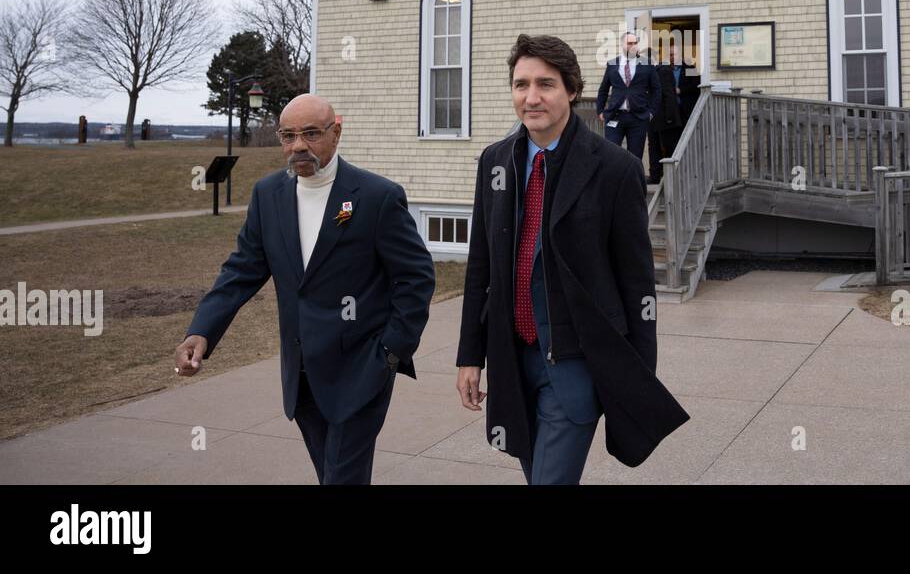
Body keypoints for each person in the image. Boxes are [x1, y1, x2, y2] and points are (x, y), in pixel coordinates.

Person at [455, 34, 688, 484]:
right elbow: (479, 268)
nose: (532, 97)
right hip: (512, 361)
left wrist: (635, 379)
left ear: (573, 90)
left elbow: (636, 284)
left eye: (546, 84)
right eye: (521, 85)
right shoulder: (495, 162)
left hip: (575, 366)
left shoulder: (615, 169)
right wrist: (470, 356)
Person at [174, 94, 435, 484]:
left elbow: (416, 278)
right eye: (289, 135)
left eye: (311, 133)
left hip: (362, 369)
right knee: (329, 472)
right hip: (302, 374)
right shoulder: (267, 195)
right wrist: (201, 331)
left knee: (342, 476)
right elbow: (242, 270)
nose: (298, 145)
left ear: (336, 133)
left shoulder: (377, 197)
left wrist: (391, 354)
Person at [595, 31, 661, 167]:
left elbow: (656, 90)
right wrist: (600, 111)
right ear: (622, 45)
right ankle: (614, 186)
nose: (633, 46)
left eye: (635, 43)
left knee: (634, 158)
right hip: (615, 116)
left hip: (638, 118)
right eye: (629, 43)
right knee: (611, 155)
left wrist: (651, 112)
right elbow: (603, 89)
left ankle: (633, 187)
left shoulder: (647, 64)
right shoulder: (612, 64)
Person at [647, 36, 698, 184]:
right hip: (665, 112)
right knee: (663, 143)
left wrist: (680, 90)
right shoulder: (663, 69)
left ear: (680, 55)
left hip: (683, 110)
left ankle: (682, 173)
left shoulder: (689, 67)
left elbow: (696, 85)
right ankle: (661, 174)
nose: (671, 57)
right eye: (669, 54)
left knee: (679, 143)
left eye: (674, 54)